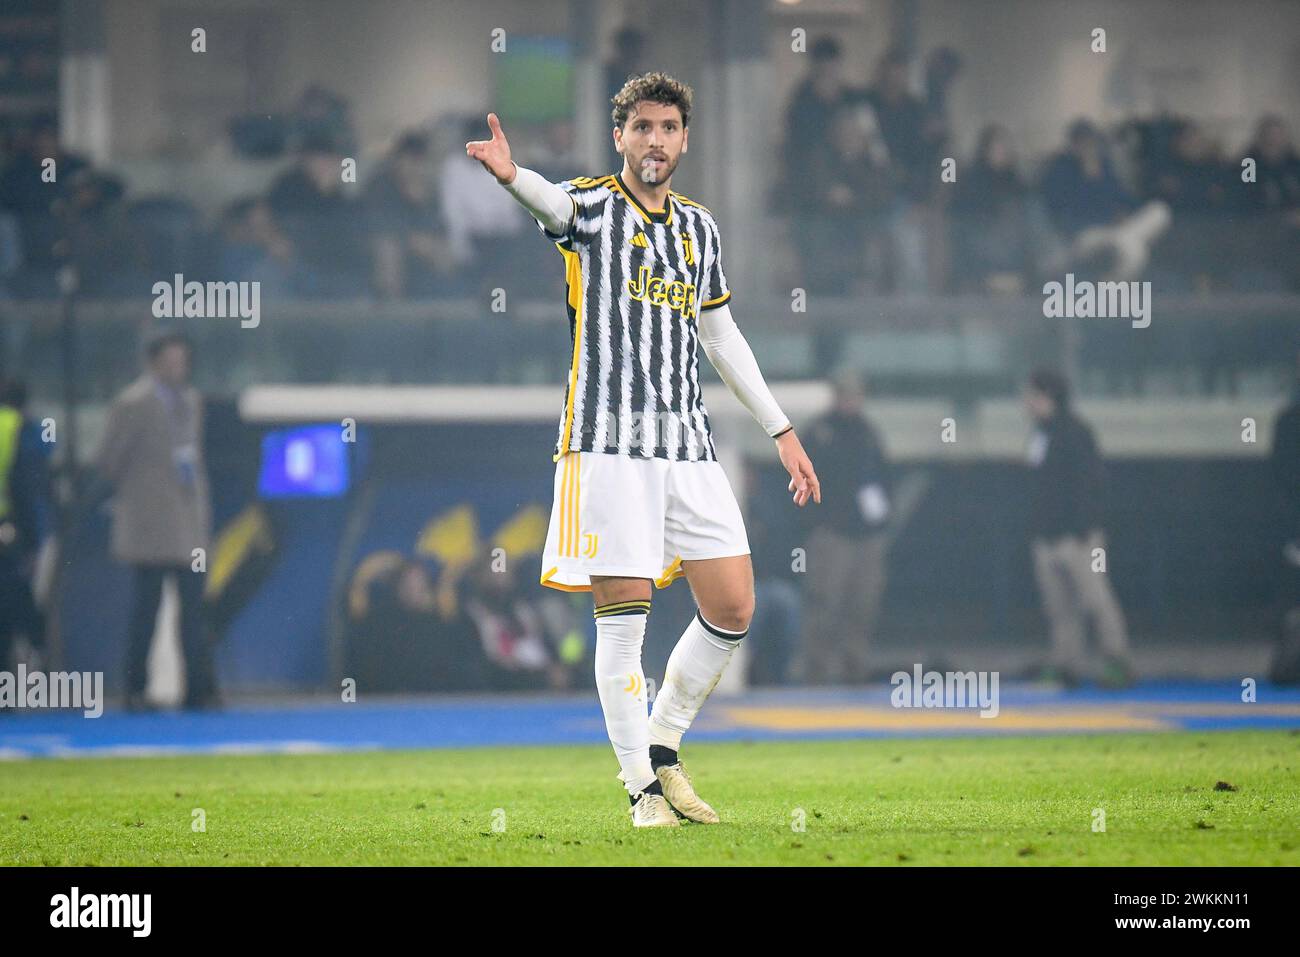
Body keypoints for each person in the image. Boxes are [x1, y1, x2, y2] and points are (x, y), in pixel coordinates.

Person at [466, 72, 821, 827]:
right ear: (619, 137)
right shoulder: (593, 206)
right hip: (607, 444)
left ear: (684, 139)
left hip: (688, 445)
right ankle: (642, 792)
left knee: (734, 603)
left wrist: (780, 428)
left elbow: (721, 336)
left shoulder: (699, 228)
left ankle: (662, 743)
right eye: (642, 127)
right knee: (624, 622)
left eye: (667, 128)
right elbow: (551, 203)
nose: (655, 140)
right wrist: (512, 175)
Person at [96, 332, 219, 711]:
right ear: (153, 363)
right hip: (149, 526)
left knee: (194, 611)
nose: (177, 369)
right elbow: (109, 460)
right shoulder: (133, 404)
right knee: (145, 612)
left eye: (182, 362)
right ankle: (136, 689)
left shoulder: (192, 401)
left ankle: (198, 690)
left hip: (188, 524)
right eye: (170, 362)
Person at [1023, 369, 1132, 688]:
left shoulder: (1077, 433)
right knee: (1059, 609)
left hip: (1080, 538)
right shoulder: (1040, 435)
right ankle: (1065, 663)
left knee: (1097, 599)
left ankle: (1116, 661)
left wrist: (1082, 530)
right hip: (1047, 538)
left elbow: (1091, 484)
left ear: (1048, 396)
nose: (1026, 402)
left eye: (1032, 395)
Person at [797, 370, 891, 685]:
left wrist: (880, 520)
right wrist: (815, 524)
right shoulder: (819, 432)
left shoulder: (868, 432)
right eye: (846, 395)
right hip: (832, 535)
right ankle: (817, 672)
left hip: (866, 536)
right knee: (825, 603)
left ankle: (855, 669)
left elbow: (882, 477)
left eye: (855, 395)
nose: (851, 401)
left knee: (863, 604)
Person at [0, 379, 54, 676]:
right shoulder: (22, 428)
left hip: (11, 528)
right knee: (19, 598)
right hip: (15, 529)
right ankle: (37, 656)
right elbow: (26, 485)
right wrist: (32, 541)